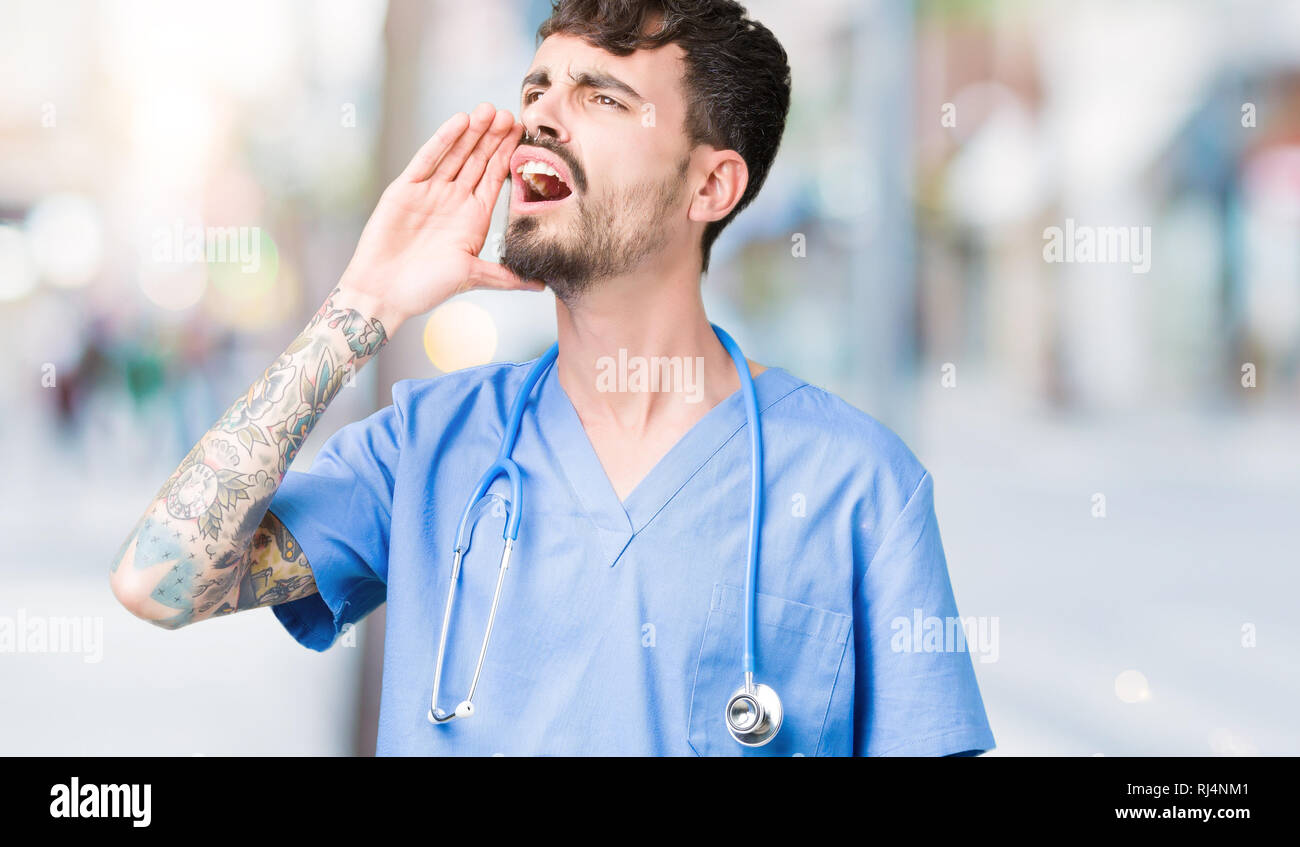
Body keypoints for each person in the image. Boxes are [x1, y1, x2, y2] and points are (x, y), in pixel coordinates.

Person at [110, 0, 995, 757]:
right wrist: (362, 303)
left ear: (710, 185)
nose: (540, 116)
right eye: (536, 88)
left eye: (601, 96)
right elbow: (159, 579)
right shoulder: (425, 445)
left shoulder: (860, 487)